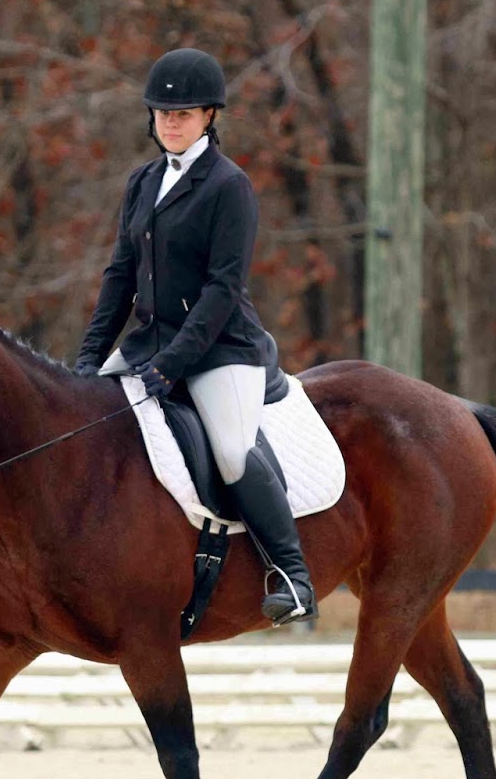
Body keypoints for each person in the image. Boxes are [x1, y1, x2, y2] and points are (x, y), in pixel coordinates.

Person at [73, 47, 316, 625]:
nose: (170, 122)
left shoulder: (229, 186)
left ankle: (293, 573)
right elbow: (119, 277)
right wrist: (88, 359)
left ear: (210, 116)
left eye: (182, 113)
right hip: (149, 346)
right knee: (83, 423)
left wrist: (177, 362)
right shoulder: (143, 182)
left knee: (233, 450)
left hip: (220, 350)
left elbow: (223, 287)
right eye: (161, 112)